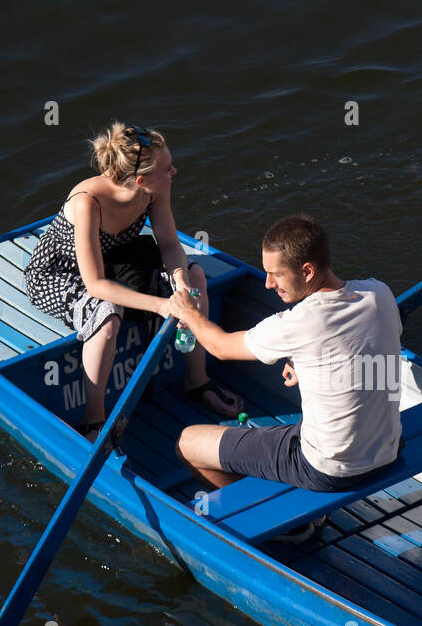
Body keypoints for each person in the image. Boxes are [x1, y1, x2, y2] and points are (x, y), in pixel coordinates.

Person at [170, 215, 403, 522]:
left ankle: (279, 523)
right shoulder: (379, 293)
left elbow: (220, 347)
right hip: (390, 450)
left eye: (275, 274)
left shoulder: (302, 322)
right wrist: (302, 360)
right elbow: (360, 343)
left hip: (328, 468)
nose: (267, 284)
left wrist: (190, 312)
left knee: (187, 443)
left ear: (307, 271)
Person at [24, 120, 241, 440]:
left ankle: (197, 379)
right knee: (107, 314)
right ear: (139, 180)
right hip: (59, 274)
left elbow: (168, 243)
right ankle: (94, 419)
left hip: (116, 258)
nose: (174, 172)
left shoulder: (154, 190)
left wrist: (181, 286)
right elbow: (95, 285)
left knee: (194, 277)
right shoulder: (88, 202)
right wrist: (164, 306)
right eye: (167, 168)